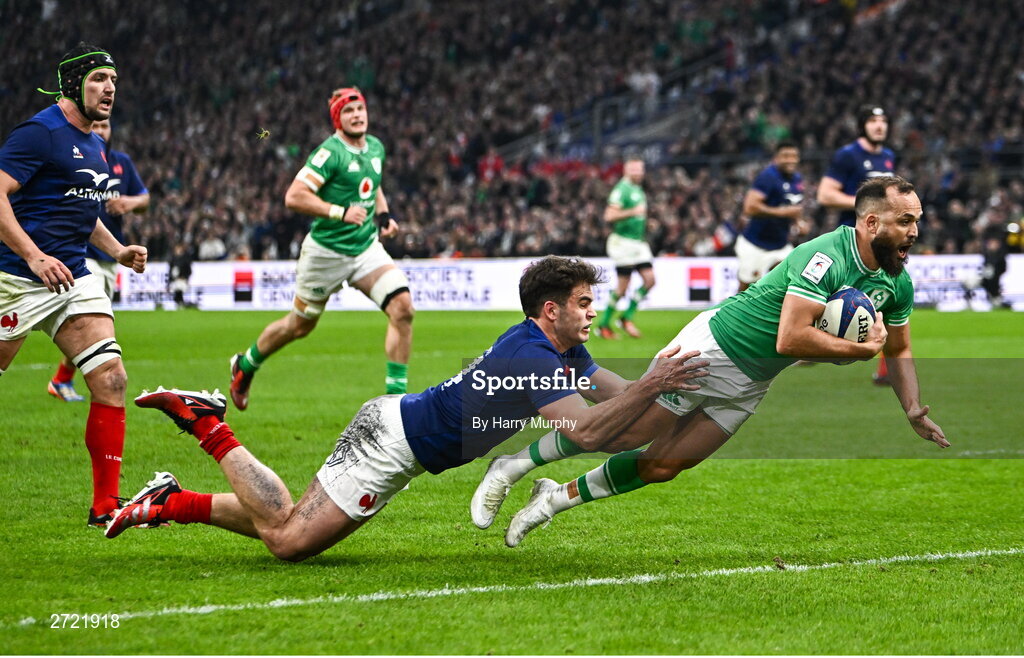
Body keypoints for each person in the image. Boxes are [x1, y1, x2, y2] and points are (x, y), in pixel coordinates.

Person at [104, 256, 709, 561]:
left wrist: (674, 398)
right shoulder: (532, 354)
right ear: (550, 309)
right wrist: (654, 387)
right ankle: (205, 424)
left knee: (288, 525)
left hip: (404, 441)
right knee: (289, 540)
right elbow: (591, 430)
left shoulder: (563, 350)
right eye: (582, 303)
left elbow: (615, 393)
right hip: (390, 442)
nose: (590, 313)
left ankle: (168, 501)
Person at [481, 177, 949, 548]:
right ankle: (512, 464)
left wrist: (911, 406)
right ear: (870, 223)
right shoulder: (826, 255)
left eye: (916, 220)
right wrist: (859, 350)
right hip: (716, 349)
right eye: (905, 221)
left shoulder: (896, 283)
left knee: (662, 466)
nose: (914, 230)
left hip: (752, 381)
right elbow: (790, 338)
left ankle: (551, 500)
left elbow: (899, 348)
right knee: (628, 431)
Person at [0, 43, 148, 526]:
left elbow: (83, 212)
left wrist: (117, 251)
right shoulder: (40, 133)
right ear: (73, 85)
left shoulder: (97, 144)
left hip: (72, 277)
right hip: (17, 277)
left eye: (114, 80)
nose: (110, 88)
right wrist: (33, 254)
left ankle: (106, 505)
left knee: (112, 378)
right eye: (100, 79)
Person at [229, 87, 414, 410]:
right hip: (325, 253)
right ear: (337, 119)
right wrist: (338, 212)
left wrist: (383, 215)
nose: (357, 115)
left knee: (403, 308)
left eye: (360, 109)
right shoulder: (329, 153)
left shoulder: (375, 147)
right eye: (348, 111)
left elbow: (373, 181)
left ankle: (394, 404)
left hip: (364, 249)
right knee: (299, 325)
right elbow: (294, 196)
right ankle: (245, 365)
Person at [46, 118, 149, 402]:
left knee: (90, 324)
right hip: (81, 252)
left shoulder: (121, 163)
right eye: (97, 127)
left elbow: (145, 199)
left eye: (106, 127)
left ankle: (62, 380)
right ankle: (66, 380)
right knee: (91, 321)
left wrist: (130, 203)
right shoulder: (76, 157)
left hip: (111, 253)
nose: (102, 132)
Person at [817, 105, 896, 384]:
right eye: (873, 121)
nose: (879, 126)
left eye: (883, 120)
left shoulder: (888, 157)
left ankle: (886, 371)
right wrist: (866, 205)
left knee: (886, 297)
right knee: (827, 297)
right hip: (849, 241)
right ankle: (806, 344)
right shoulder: (848, 155)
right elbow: (825, 194)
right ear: (862, 125)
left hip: (880, 242)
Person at [735, 141, 806, 292]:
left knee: (793, 279)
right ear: (776, 158)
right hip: (755, 244)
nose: (790, 160)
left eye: (794, 156)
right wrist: (782, 212)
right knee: (745, 289)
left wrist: (799, 223)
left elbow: (793, 207)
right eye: (785, 156)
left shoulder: (797, 179)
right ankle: (731, 314)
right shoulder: (767, 177)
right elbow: (749, 207)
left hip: (780, 245)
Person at [596, 158, 655, 339]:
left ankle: (626, 317)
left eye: (640, 169)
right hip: (622, 243)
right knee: (623, 287)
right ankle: (604, 325)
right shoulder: (622, 190)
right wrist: (633, 213)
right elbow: (609, 215)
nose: (638, 172)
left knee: (650, 280)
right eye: (634, 169)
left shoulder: (637, 188)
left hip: (638, 242)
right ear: (625, 170)